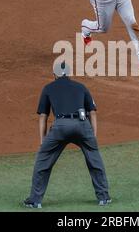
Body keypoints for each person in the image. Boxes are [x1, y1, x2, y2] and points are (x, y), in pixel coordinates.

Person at [23, 62, 111, 208]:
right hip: (83, 126)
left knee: (42, 161)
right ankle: (104, 197)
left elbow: (43, 117)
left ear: (54, 74)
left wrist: (42, 141)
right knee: (95, 160)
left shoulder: (48, 88)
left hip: (61, 126)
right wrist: (93, 137)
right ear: (69, 73)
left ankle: (35, 200)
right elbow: (93, 113)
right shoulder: (81, 87)